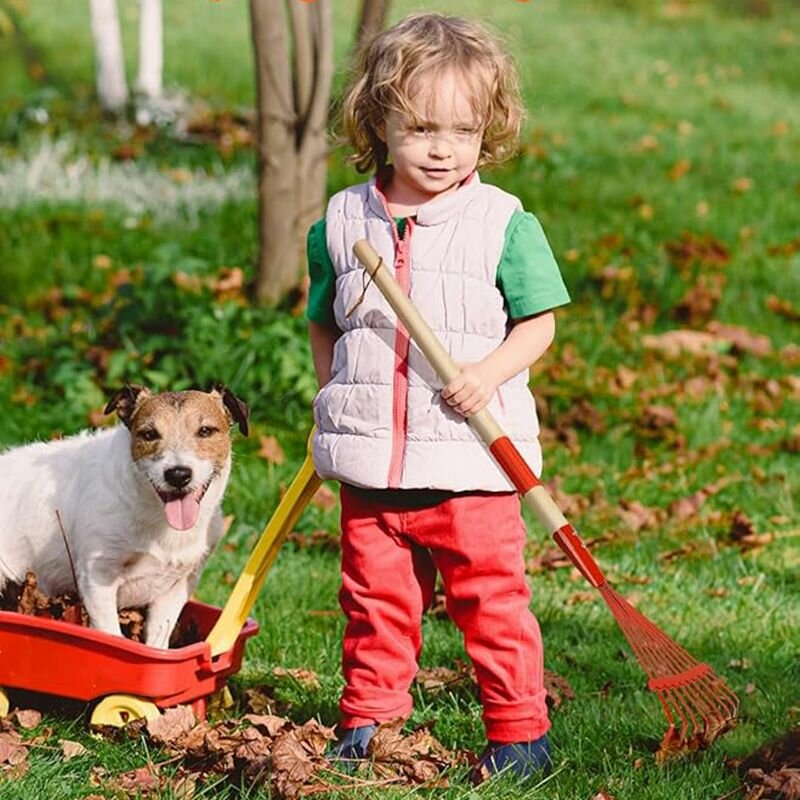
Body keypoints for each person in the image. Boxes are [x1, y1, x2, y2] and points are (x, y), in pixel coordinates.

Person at [306, 12, 570, 780]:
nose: (442, 148)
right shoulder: (343, 220)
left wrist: (488, 371)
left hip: (470, 467)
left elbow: (540, 325)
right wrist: (333, 395)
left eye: (462, 130)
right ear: (376, 117)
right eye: (421, 127)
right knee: (375, 606)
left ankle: (520, 737)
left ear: (488, 130)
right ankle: (370, 725)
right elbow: (324, 320)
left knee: (491, 606)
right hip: (376, 473)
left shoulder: (501, 223)